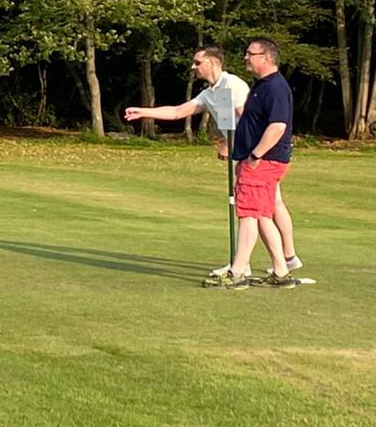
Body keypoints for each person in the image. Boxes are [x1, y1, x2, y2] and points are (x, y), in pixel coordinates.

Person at [123, 45, 301, 280]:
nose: (193, 67)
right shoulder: (210, 92)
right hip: (253, 155)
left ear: (213, 62)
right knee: (263, 212)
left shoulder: (234, 85)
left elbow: (247, 119)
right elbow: (178, 112)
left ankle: (245, 267)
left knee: (258, 211)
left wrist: (238, 148)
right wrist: (144, 112)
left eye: (198, 62)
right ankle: (280, 267)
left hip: (258, 156)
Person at [204, 37, 300, 289]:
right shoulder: (262, 85)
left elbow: (278, 126)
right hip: (260, 159)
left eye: (250, 53)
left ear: (266, 58)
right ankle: (281, 271)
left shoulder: (275, 88)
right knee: (262, 216)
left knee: (248, 215)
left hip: (263, 161)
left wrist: (255, 156)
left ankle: (237, 273)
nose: (246, 57)